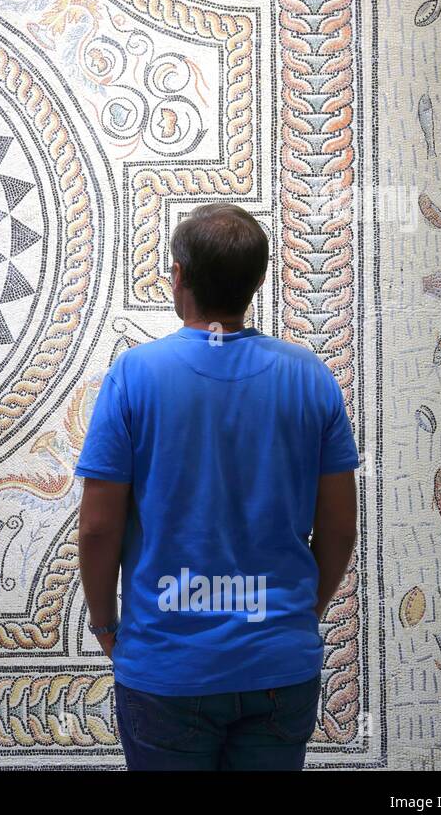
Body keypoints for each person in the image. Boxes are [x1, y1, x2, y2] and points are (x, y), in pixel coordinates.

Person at [74, 202, 359, 770]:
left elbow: (98, 528)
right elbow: (338, 527)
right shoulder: (310, 377)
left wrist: (106, 625)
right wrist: (299, 612)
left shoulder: (134, 375)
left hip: (168, 670)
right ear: (257, 282)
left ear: (178, 276)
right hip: (279, 664)